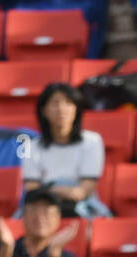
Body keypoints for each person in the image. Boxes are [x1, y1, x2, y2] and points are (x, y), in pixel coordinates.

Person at [21, 83, 110, 219]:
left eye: (68, 103)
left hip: (81, 206)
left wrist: (55, 191)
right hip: (43, 205)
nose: (61, 109)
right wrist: (60, 192)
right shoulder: (31, 146)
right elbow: (31, 188)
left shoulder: (92, 141)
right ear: (44, 110)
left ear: (76, 109)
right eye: (55, 103)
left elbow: (84, 189)